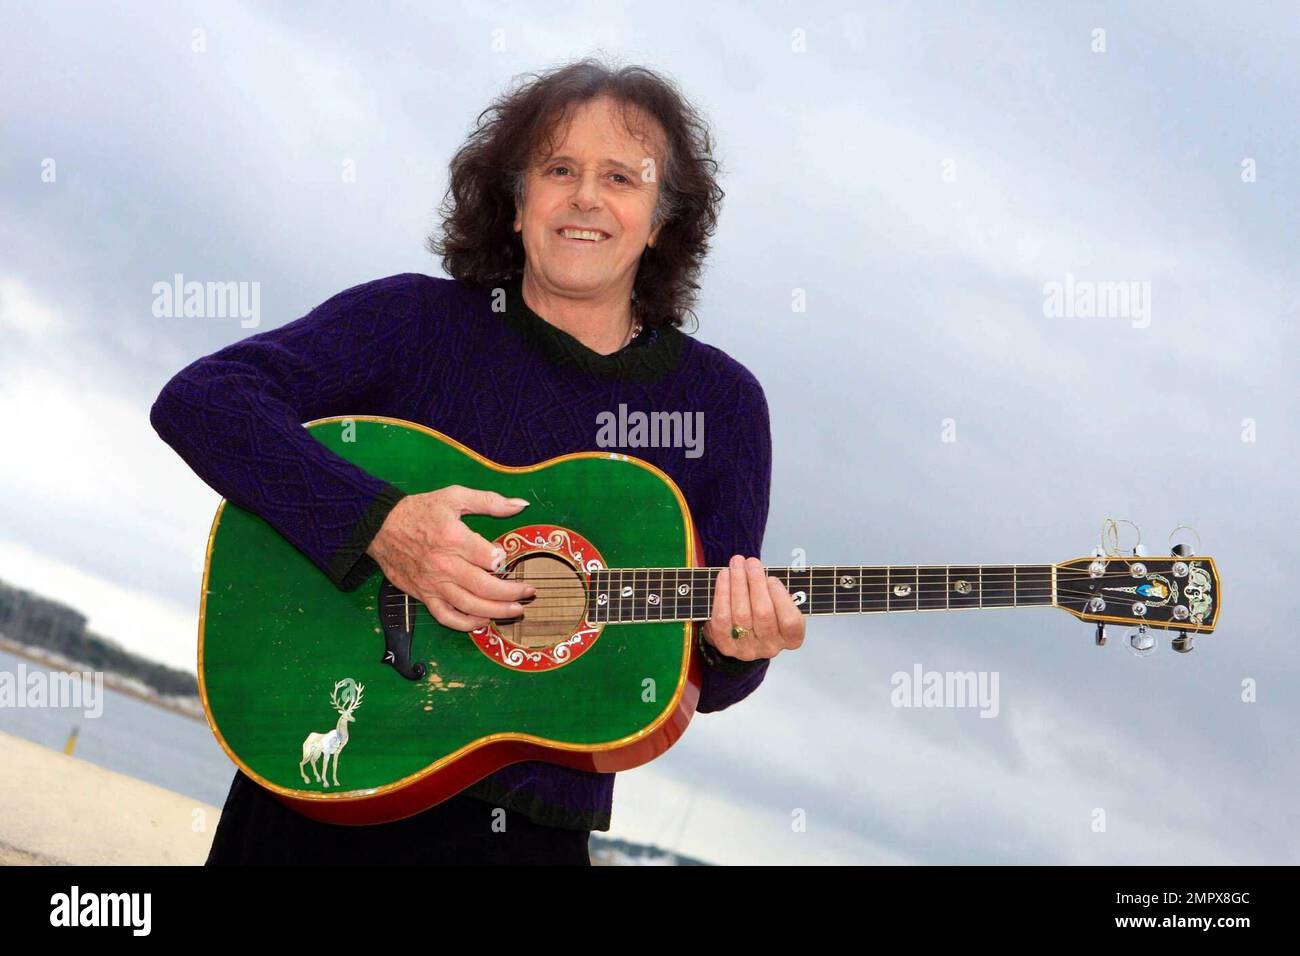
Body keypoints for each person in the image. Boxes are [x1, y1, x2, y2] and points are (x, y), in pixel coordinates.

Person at [151, 58, 806, 865]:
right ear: (515, 199)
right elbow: (203, 400)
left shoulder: (721, 406)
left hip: (528, 836)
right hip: (320, 804)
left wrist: (735, 647)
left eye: (621, 178)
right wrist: (382, 525)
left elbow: (702, 683)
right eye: (558, 169)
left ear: (663, 219)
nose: (586, 198)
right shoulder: (412, 322)